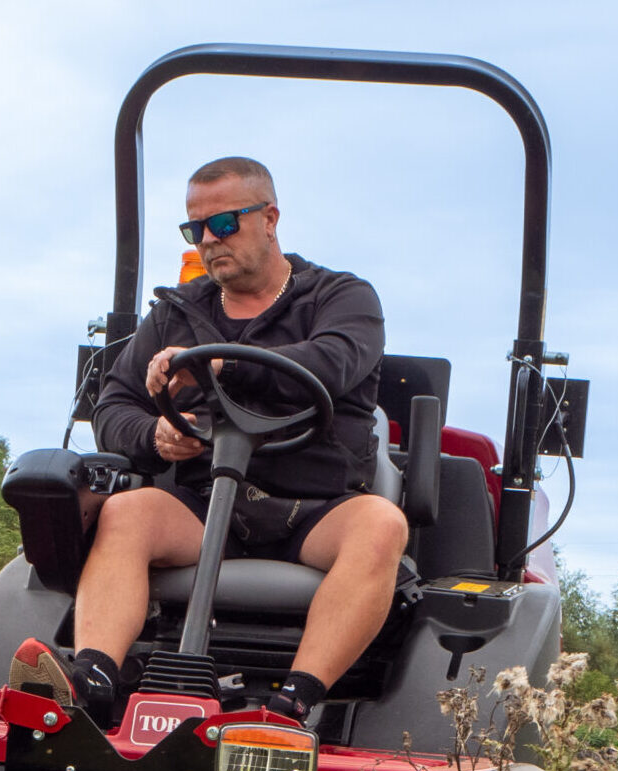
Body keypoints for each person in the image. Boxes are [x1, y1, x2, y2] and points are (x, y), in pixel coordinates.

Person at [30, 156, 407, 728]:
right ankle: (92, 683)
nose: (209, 240)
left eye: (224, 224)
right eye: (195, 229)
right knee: (126, 512)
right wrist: (154, 435)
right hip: (207, 510)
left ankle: (293, 703)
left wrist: (224, 365)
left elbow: (331, 363)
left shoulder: (341, 298)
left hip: (316, 511)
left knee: (382, 525)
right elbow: (114, 408)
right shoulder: (176, 314)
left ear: (270, 218)